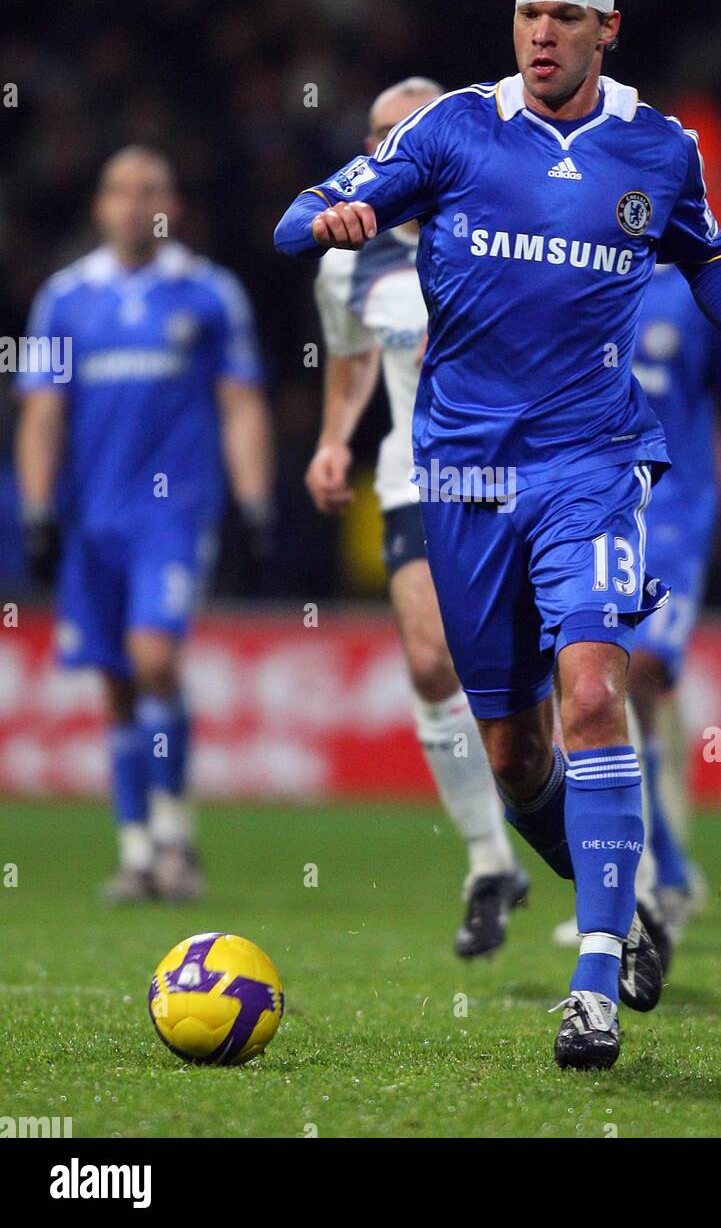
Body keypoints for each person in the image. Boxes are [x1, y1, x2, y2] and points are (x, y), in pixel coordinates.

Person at [275, 0, 721, 1071]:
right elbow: (293, 216)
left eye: (564, 16)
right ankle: (625, 904)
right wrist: (337, 218)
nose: (542, 33)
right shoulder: (451, 128)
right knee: (512, 752)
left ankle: (594, 979)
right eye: (527, 14)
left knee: (596, 692)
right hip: (459, 475)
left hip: (591, 463)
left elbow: (705, 253)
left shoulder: (658, 149)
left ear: (608, 25)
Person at [307, 76, 528, 958]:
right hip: (416, 477)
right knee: (431, 659)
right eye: (379, 133)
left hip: (525, 477)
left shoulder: (504, 228)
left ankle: (624, 884)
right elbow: (353, 356)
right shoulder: (346, 256)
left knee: (558, 684)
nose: (392, 146)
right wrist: (333, 440)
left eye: (411, 130)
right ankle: (486, 864)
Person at [16, 147, 274, 903]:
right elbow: (42, 412)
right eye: (121, 190)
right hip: (92, 519)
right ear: (100, 206)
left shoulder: (207, 293)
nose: (135, 203)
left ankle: (173, 833)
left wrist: (253, 504)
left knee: (154, 659)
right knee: (117, 682)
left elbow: (240, 402)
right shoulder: (65, 298)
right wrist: (36, 509)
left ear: (174, 204)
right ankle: (137, 851)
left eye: (151, 189)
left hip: (172, 512)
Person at [554, 264, 721, 955]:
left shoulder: (693, 296)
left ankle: (653, 878)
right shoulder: (574, 270)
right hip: (590, 509)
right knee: (589, 682)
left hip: (670, 517)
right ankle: (659, 872)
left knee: (640, 676)